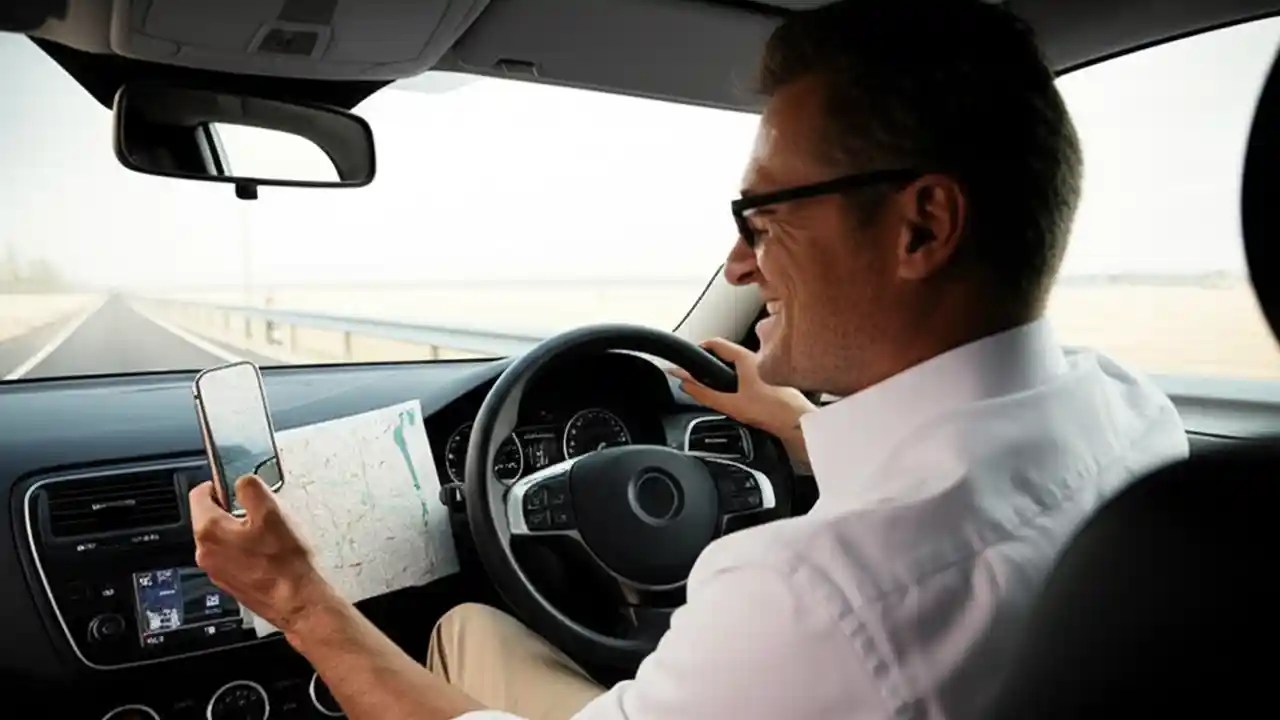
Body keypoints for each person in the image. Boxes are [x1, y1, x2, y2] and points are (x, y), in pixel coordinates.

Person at [188, 1, 1190, 718]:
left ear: (919, 227)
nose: (738, 259)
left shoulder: (811, 597)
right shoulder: (1126, 412)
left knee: (464, 633)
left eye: (762, 213)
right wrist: (802, 429)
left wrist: (298, 602)